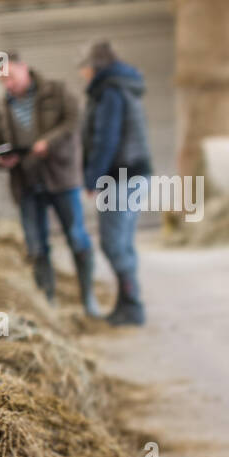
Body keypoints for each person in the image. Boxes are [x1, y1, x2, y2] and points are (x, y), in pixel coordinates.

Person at [0, 52, 98, 316]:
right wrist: (1, 157)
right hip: (26, 182)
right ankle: (48, 304)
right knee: (36, 246)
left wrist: (49, 142)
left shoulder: (56, 92)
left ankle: (88, 300)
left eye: (11, 76)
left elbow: (73, 120)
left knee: (77, 237)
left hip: (60, 176)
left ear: (24, 68)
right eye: (3, 81)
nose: (8, 85)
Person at [79, 41, 149, 326]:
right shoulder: (125, 87)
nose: (82, 74)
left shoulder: (109, 92)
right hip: (135, 173)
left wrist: (93, 177)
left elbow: (105, 138)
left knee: (113, 245)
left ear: (94, 67)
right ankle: (127, 302)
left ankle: (131, 305)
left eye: (83, 68)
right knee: (124, 243)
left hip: (120, 176)